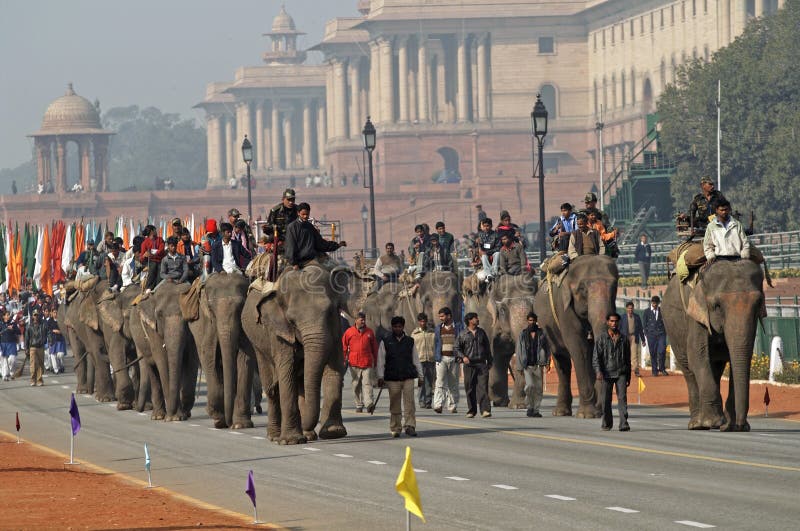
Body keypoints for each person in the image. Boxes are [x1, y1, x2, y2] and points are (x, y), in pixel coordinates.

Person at [377, 316, 424, 437]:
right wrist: (380, 376)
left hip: (408, 377)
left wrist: (421, 376)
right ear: (392, 327)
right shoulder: (385, 341)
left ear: (403, 327)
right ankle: (395, 428)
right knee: (395, 404)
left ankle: (410, 426)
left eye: (400, 326)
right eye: (395, 327)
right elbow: (381, 361)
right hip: (392, 378)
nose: (397, 329)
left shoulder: (410, 341)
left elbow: (416, 360)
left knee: (410, 403)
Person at [593, 312, 631, 431]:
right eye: (612, 321)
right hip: (606, 373)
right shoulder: (601, 338)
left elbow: (628, 359)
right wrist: (598, 371)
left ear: (619, 322)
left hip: (621, 373)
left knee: (622, 398)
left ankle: (624, 423)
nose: (614, 323)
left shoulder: (624, 339)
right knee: (605, 400)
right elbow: (596, 357)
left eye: (616, 321)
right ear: (607, 322)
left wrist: (628, 376)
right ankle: (607, 423)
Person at [284, 203, 345, 270]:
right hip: (298, 261)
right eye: (303, 214)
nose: (305, 216)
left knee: (333, 268)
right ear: (298, 213)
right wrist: (294, 263)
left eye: (307, 214)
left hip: (310, 260)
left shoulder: (310, 227)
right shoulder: (292, 227)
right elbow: (290, 246)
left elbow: (320, 243)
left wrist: (337, 245)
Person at [455, 312, 493, 418]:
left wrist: (490, 361)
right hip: (469, 365)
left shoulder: (482, 333)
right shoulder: (463, 334)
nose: (477, 319)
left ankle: (485, 410)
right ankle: (471, 411)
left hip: (481, 364)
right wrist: (463, 357)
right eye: (475, 318)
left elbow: (487, 348)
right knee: (470, 388)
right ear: (469, 320)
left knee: (483, 387)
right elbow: (456, 348)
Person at [341, 312, 379, 413]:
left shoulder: (369, 332)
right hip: (354, 363)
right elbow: (344, 346)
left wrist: (376, 362)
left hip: (367, 362)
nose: (363, 321)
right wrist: (343, 359)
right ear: (356, 320)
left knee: (367, 383)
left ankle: (369, 403)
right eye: (361, 320)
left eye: (364, 319)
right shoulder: (349, 332)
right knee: (356, 385)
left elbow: (375, 348)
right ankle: (359, 404)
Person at [516, 312, 550, 417]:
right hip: (527, 366)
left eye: (534, 320)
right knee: (530, 386)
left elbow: (547, 348)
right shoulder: (523, 334)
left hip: (538, 365)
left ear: (536, 321)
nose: (532, 322)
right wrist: (519, 366)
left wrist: (547, 362)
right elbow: (519, 350)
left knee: (538, 389)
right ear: (528, 321)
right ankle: (529, 405)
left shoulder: (541, 333)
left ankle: (535, 410)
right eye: (530, 320)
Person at [433, 306, 462, 414]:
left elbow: (462, 342)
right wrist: (436, 356)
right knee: (439, 382)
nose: (440, 318)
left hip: (454, 359)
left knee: (453, 383)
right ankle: (438, 405)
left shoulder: (458, 327)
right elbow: (436, 343)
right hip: (441, 359)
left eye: (442, 316)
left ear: (449, 316)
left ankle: (452, 406)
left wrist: (460, 356)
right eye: (440, 316)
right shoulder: (438, 328)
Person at [411, 313, 436, 409]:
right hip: (419, 360)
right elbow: (411, 348)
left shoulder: (432, 333)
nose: (423, 323)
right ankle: (421, 401)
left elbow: (436, 345)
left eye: (424, 321)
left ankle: (428, 401)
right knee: (421, 381)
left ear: (426, 321)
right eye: (421, 321)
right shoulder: (414, 334)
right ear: (418, 322)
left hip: (430, 359)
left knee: (429, 382)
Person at [642, 295, 668, 376]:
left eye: (656, 303)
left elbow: (665, 322)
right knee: (653, 353)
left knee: (662, 351)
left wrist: (665, 332)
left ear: (658, 303)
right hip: (651, 335)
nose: (654, 304)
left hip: (661, 334)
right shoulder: (647, 311)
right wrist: (646, 334)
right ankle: (654, 371)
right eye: (653, 303)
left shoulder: (662, 311)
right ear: (651, 302)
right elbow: (644, 323)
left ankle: (662, 368)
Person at [620, 301, 645, 377]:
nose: (630, 310)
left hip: (634, 337)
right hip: (625, 337)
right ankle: (624, 370)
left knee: (634, 355)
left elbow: (640, 328)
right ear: (626, 308)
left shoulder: (637, 317)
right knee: (624, 354)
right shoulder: (622, 317)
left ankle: (636, 371)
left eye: (631, 308)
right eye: (629, 308)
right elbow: (619, 328)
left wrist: (643, 340)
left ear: (633, 309)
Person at [140, 225, 165, 294]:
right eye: (155, 230)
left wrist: (152, 255)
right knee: (153, 265)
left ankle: (158, 287)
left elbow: (161, 250)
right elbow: (141, 258)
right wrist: (145, 256)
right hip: (150, 262)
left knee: (160, 268)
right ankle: (149, 287)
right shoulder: (144, 243)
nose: (156, 231)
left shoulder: (160, 240)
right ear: (152, 231)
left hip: (160, 261)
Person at [24, 309, 47, 386]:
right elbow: (26, 338)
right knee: (33, 364)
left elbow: (47, 333)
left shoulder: (43, 325)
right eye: (35, 315)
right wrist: (26, 348)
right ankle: (32, 379)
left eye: (37, 315)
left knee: (40, 364)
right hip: (32, 347)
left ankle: (39, 380)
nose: (36, 317)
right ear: (32, 316)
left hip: (40, 347)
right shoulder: (29, 326)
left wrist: (45, 341)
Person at [0, 311, 19, 381]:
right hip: (3, 343)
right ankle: (5, 375)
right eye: (7, 315)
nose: (8, 316)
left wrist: (13, 329)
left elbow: (18, 331)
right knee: (4, 360)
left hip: (12, 343)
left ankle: (12, 372)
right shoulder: (1, 324)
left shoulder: (13, 323)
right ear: (3, 316)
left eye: (9, 315)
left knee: (12, 359)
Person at [46, 307, 66, 374]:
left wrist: (61, 331)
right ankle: (55, 369)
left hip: (60, 339)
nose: (55, 314)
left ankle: (61, 366)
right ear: (51, 313)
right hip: (53, 339)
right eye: (54, 312)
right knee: (53, 355)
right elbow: (47, 330)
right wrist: (53, 330)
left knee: (60, 355)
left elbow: (65, 328)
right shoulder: (49, 321)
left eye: (56, 312)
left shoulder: (61, 320)